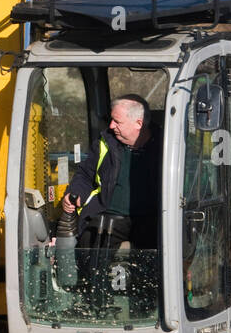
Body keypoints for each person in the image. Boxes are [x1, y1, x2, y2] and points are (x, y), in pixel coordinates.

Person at [60, 94, 160, 253]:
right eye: (111, 120)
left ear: (138, 124)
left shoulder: (166, 147)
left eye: (117, 121)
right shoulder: (106, 143)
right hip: (108, 217)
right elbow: (85, 174)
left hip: (153, 219)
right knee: (89, 245)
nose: (111, 126)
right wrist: (74, 192)